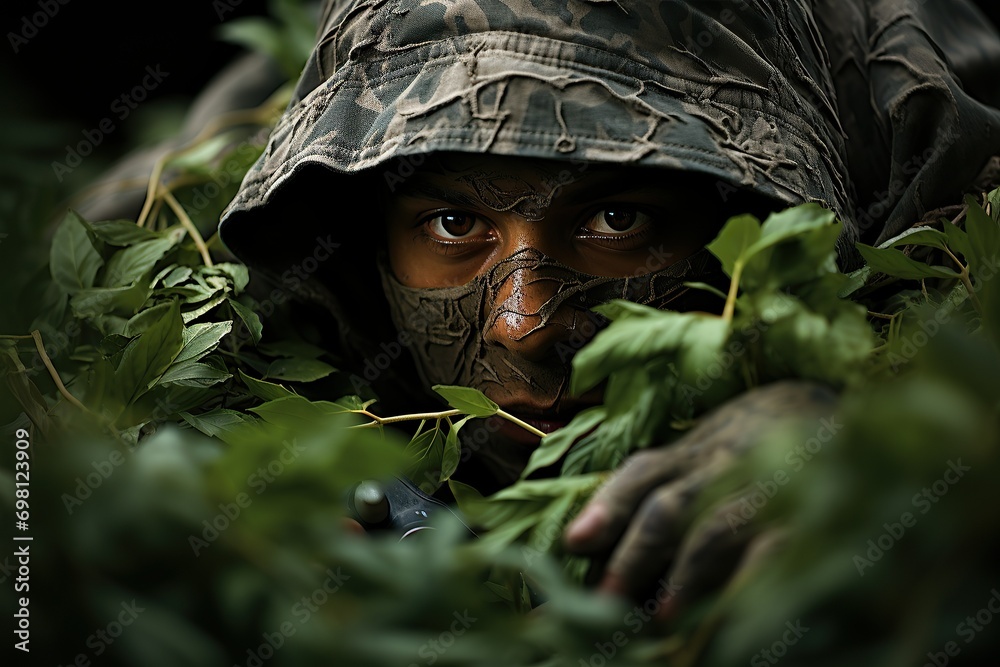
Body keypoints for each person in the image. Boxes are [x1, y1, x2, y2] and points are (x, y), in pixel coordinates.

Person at [216, 0, 1000, 607]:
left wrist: (874, 437)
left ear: (766, 220)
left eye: (617, 220)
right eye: (455, 224)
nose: (523, 325)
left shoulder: (951, 224)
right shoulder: (227, 333)